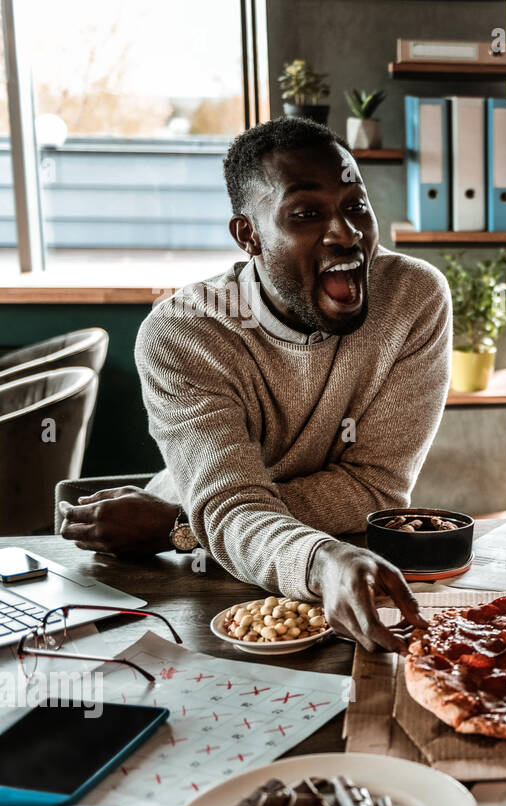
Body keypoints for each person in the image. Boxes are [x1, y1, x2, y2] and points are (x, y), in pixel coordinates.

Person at [58, 117, 452, 653]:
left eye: (355, 205)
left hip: (302, 561)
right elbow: (230, 503)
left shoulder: (413, 298)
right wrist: (312, 555)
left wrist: (178, 525)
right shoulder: (184, 333)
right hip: (188, 575)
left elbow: (378, 488)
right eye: (307, 213)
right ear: (249, 235)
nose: (347, 233)